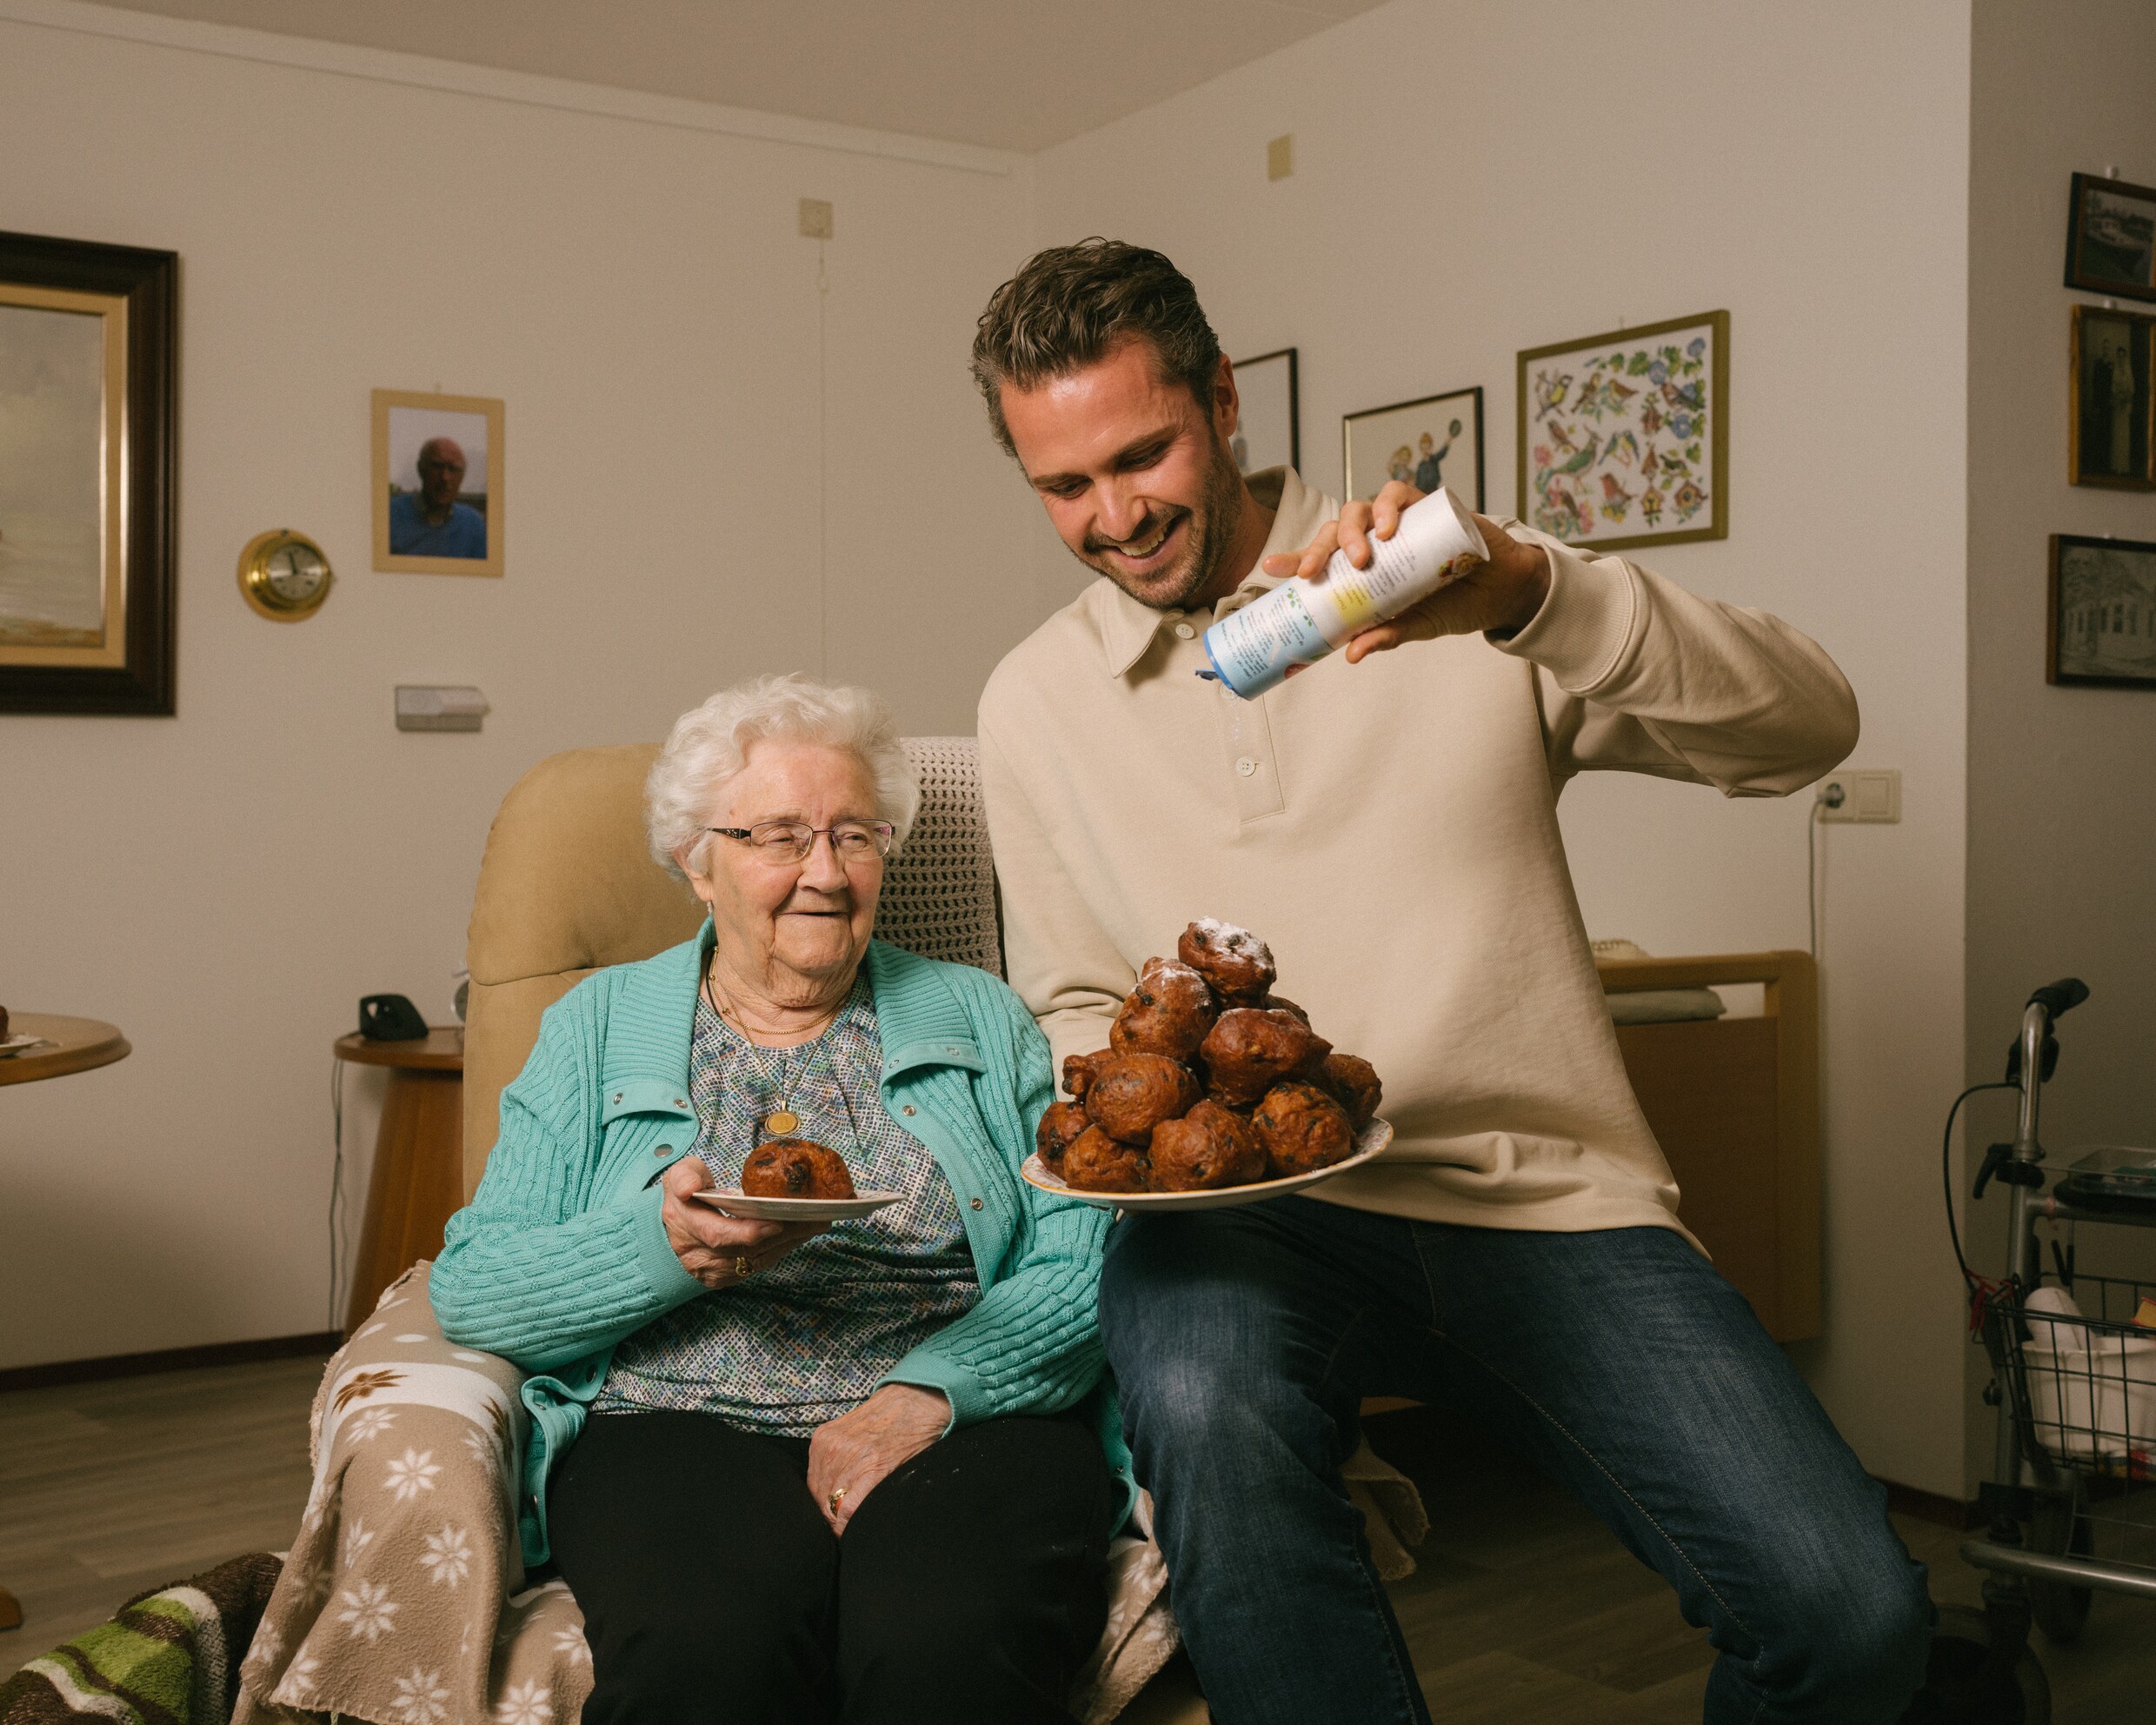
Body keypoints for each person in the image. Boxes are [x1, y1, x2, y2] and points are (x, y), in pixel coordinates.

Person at [968, 239, 1931, 1725]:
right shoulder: (1033, 702)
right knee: (1205, 1401)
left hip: (1538, 1195)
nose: (1115, 516)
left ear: (1223, 401)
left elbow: (1809, 727)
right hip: (1241, 1224)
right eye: (1063, 485)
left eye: (1141, 455)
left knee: (1852, 1618)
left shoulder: (1451, 584)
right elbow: (1076, 1002)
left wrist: (1534, 589)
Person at [430, 674, 1127, 1725]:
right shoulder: (597, 1023)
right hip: (674, 1419)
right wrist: (664, 1248)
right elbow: (476, 1286)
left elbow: (1081, 1258)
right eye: (778, 837)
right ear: (695, 860)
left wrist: (931, 1394)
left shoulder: (978, 1016)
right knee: (708, 1654)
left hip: (961, 1418)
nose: (826, 873)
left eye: (854, 836)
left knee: (948, 1652)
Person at [389, 435, 488, 556]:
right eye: (437, 467)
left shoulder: (473, 525)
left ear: (462, 477)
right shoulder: (390, 515)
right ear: (421, 469)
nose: (445, 477)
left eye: (453, 469)